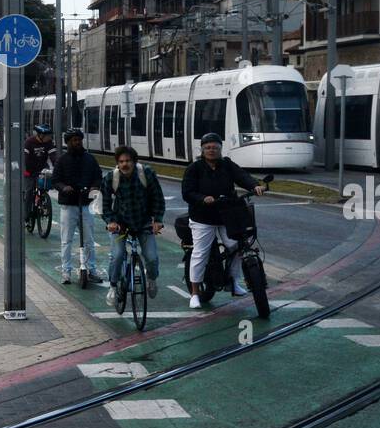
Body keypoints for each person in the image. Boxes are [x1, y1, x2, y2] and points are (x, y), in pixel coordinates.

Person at [181, 132, 263, 309]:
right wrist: (203, 198)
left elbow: (242, 176)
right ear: (202, 150)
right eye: (208, 148)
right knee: (200, 253)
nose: (211, 150)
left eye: (215, 147)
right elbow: (187, 192)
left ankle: (233, 282)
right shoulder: (194, 168)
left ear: (220, 149)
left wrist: (254, 185)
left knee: (236, 246)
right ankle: (195, 293)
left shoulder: (227, 164)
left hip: (226, 214)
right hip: (202, 217)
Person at [102, 145, 165, 306]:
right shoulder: (111, 177)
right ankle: (113, 287)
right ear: (117, 163)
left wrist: (157, 219)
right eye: (121, 161)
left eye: (128, 161)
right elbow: (104, 203)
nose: (124, 164)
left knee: (151, 258)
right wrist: (110, 221)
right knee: (117, 256)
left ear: (134, 161)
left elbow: (158, 197)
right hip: (120, 225)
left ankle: (151, 279)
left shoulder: (146, 173)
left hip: (143, 222)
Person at [51, 127, 104, 285]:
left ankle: (91, 269)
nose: (77, 142)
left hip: (86, 205)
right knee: (66, 240)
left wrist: (94, 187)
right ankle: (66, 272)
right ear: (68, 142)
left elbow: (98, 176)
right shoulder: (62, 160)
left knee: (89, 240)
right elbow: (55, 180)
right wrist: (64, 187)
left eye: (79, 140)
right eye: (74, 140)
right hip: (69, 205)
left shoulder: (90, 159)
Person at [24, 123, 55, 227]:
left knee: (45, 185)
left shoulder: (49, 143)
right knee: (29, 191)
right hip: (29, 170)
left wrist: (57, 168)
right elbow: (24, 158)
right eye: (48, 136)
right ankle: (26, 217)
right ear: (40, 135)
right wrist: (25, 170)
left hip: (42, 168)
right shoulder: (29, 142)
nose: (50, 137)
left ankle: (42, 202)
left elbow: (54, 156)